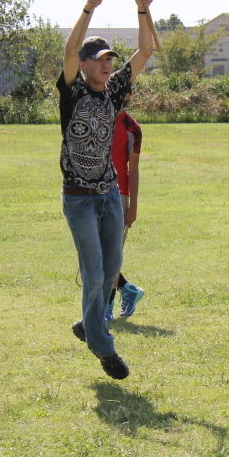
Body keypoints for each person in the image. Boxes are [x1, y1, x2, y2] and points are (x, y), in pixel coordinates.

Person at [62, 0, 153, 380]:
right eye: (99, 60)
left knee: (113, 265)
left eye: (108, 60)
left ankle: (87, 324)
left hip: (109, 195)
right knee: (95, 269)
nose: (106, 65)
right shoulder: (72, 89)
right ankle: (103, 346)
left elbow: (145, 51)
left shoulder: (113, 90)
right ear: (83, 64)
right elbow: (68, 51)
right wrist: (88, 9)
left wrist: (142, 12)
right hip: (79, 199)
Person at [105, 98, 145, 322]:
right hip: (92, 194)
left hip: (118, 197)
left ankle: (106, 308)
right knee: (95, 252)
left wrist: (133, 206)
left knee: (111, 255)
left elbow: (133, 170)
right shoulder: (97, 118)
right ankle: (127, 290)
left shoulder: (131, 127)